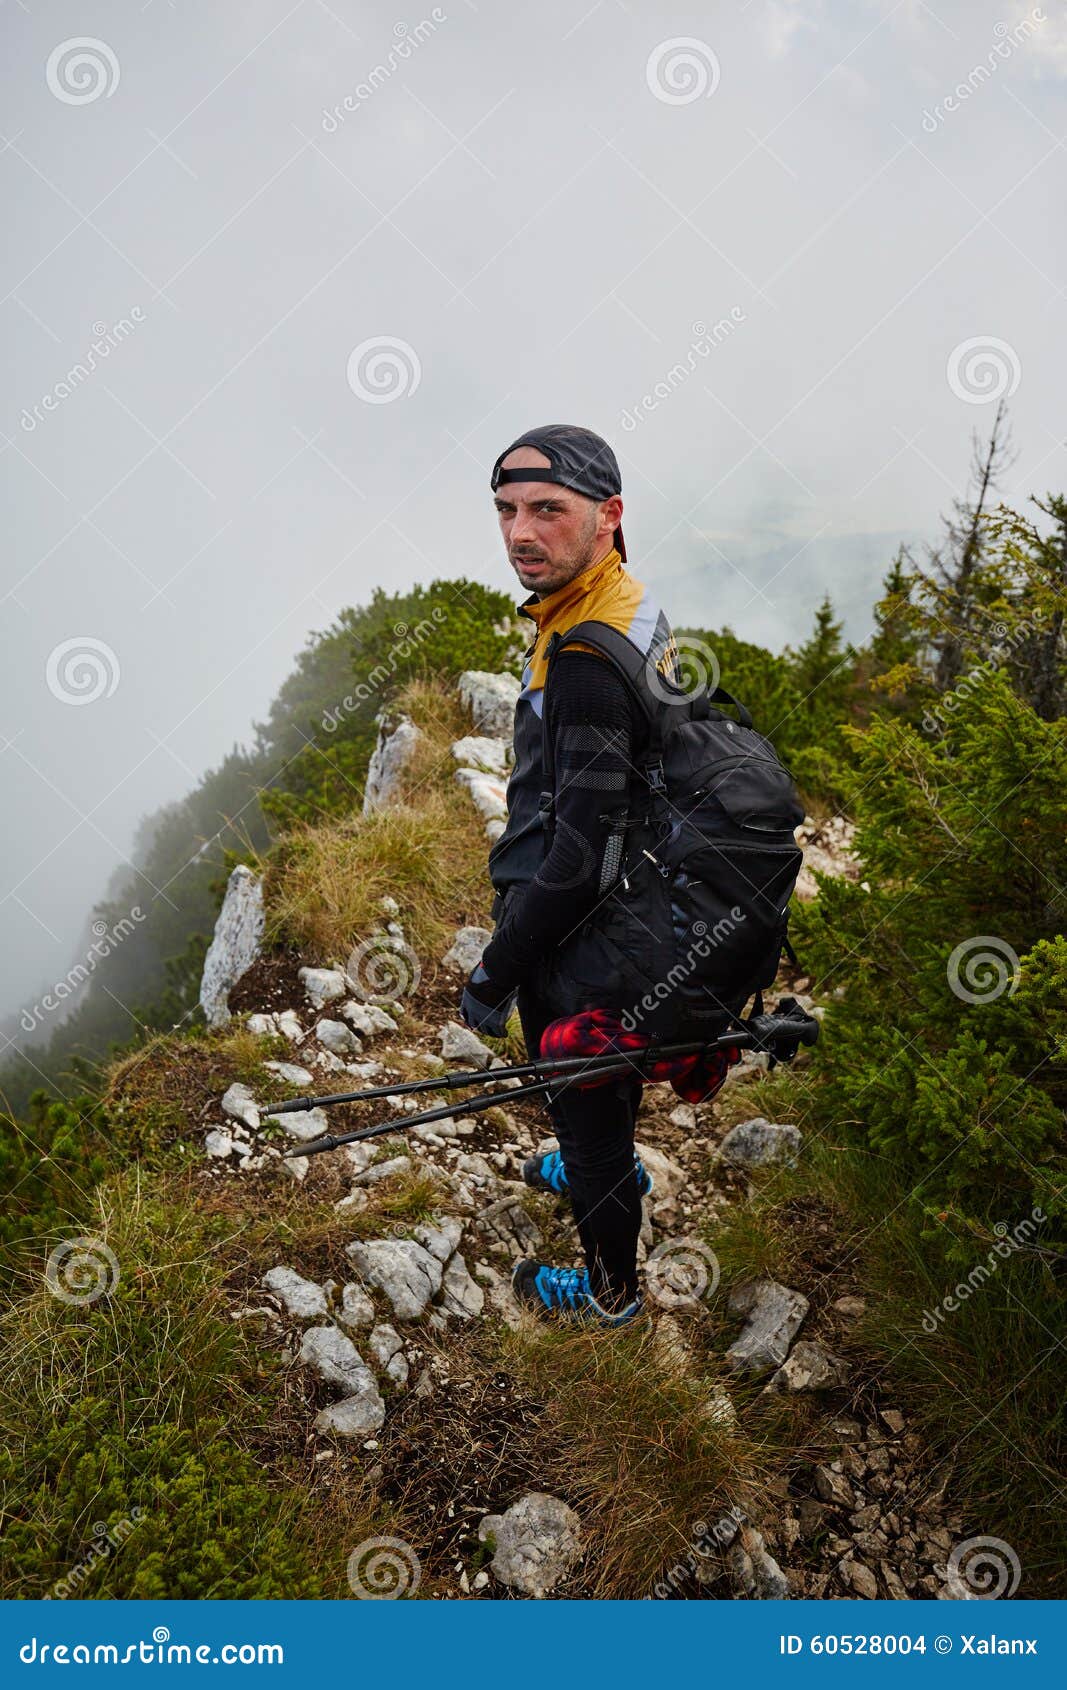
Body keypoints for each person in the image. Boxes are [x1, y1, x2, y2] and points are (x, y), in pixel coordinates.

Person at [459, 423, 680, 1327]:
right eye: (507, 510)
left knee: (581, 1102)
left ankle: (609, 1296)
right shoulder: (626, 603)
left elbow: (578, 861)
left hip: (586, 932)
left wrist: (494, 971)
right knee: (589, 1095)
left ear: (608, 515)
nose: (521, 532)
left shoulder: (585, 656)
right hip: (637, 902)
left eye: (548, 510)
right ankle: (608, 1161)